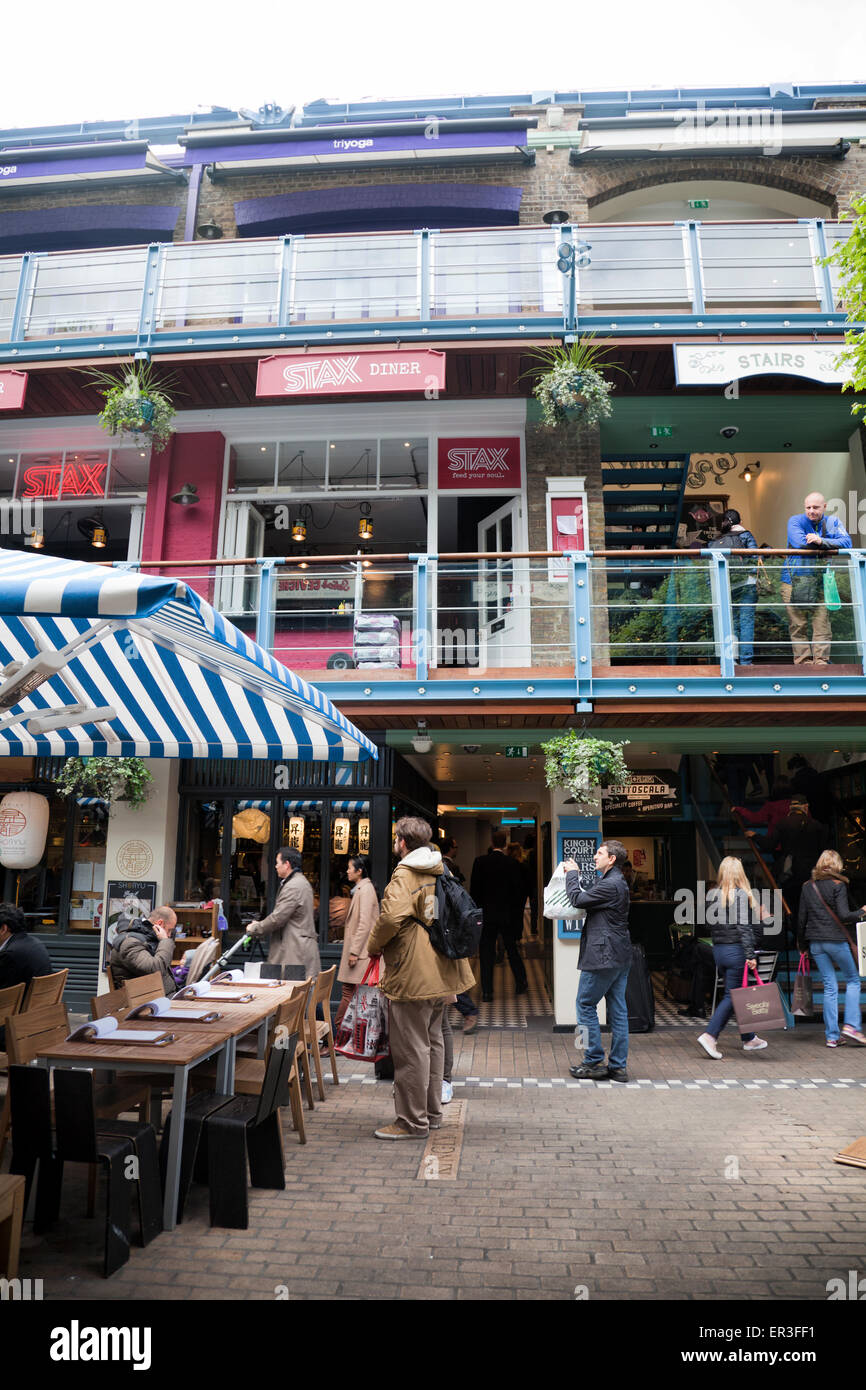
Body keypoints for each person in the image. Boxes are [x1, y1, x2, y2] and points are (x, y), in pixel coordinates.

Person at [366, 817, 474, 1140]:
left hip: (413, 971)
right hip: (441, 968)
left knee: (411, 1048)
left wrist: (373, 945)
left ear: (402, 842)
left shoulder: (406, 872)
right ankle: (431, 1113)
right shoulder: (441, 866)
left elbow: (389, 919)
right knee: (433, 1040)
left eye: (397, 838)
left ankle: (411, 1122)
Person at [564, 839, 633, 1083]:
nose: (594, 856)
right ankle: (618, 1066)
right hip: (619, 955)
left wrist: (572, 875)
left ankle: (593, 1061)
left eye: (599, 853)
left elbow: (577, 900)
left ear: (611, 859)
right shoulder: (615, 881)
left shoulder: (611, 884)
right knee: (618, 1010)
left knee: (584, 1004)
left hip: (603, 955)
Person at [696, 858, 771, 1060]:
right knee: (733, 996)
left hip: (718, 950)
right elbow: (744, 928)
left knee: (736, 994)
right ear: (740, 874)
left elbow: (707, 926)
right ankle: (710, 1035)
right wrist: (749, 954)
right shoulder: (740, 895)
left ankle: (749, 1037)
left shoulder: (712, 895)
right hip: (736, 951)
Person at [797, 849, 866, 1048]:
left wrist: (802, 945)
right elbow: (844, 915)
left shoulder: (807, 886)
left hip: (815, 942)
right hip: (835, 940)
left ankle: (832, 1036)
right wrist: (861, 911)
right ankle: (852, 1026)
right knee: (853, 980)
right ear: (837, 865)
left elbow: (801, 918)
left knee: (830, 986)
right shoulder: (838, 885)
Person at [781, 492, 852, 665]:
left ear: (825, 506)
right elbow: (800, 543)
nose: (811, 511)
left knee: (822, 625)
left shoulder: (832, 522)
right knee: (798, 625)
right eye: (808, 507)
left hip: (822, 581)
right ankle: (803, 663)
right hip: (793, 580)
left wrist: (821, 541)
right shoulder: (795, 521)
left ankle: (821, 663)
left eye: (816, 507)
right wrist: (829, 542)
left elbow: (847, 543)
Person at [471, 829, 528, 1000]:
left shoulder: (480, 862)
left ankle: (487, 991)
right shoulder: (512, 864)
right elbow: (518, 892)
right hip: (507, 915)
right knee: (511, 949)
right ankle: (520, 982)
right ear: (504, 844)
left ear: (492, 842)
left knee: (486, 952)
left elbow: (474, 891)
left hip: (487, 915)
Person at [247, 847, 321, 979]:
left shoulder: (294, 886)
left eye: (277, 862)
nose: (275, 866)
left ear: (287, 864)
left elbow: (278, 918)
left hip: (295, 951)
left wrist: (256, 927)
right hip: (297, 948)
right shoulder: (300, 882)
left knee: (292, 994)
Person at [769, 796, 830, 927]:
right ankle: (810, 936)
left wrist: (754, 836)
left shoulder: (782, 823)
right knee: (812, 906)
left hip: (791, 873)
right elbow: (823, 851)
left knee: (793, 906)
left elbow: (770, 845)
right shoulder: (816, 825)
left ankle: (797, 937)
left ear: (790, 808)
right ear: (806, 807)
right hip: (812, 874)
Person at [708, 508, 759, 665]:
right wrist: (750, 575)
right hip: (747, 584)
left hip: (726, 586)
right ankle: (746, 661)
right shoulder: (745, 535)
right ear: (740, 521)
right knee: (747, 621)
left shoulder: (716, 541)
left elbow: (709, 568)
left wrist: (713, 588)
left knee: (732, 622)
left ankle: (733, 660)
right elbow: (755, 557)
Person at [334, 855, 379, 1032]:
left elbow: (364, 923)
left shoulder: (365, 890)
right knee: (351, 994)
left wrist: (354, 951)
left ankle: (338, 1035)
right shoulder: (362, 888)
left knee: (348, 993)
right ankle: (343, 1035)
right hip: (360, 954)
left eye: (350, 868)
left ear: (359, 871)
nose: (347, 871)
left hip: (360, 955)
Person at [109, 905, 178, 996]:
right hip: (147, 1002)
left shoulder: (149, 938)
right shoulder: (129, 943)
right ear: (160, 924)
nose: (169, 935)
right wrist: (165, 941)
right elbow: (155, 969)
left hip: (160, 997)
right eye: (169, 930)